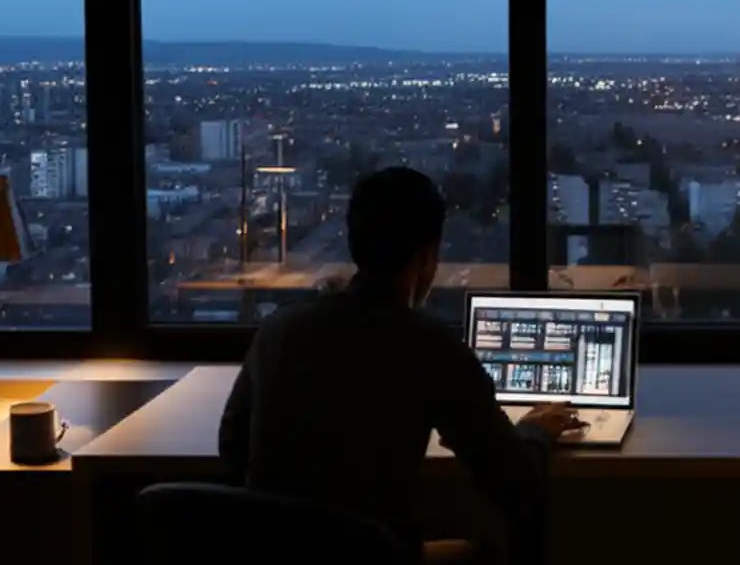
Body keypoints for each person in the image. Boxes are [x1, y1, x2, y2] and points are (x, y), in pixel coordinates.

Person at [220, 166, 581, 564]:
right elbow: (515, 482)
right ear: (428, 255)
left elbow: (232, 448)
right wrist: (534, 429)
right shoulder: (431, 346)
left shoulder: (277, 330)